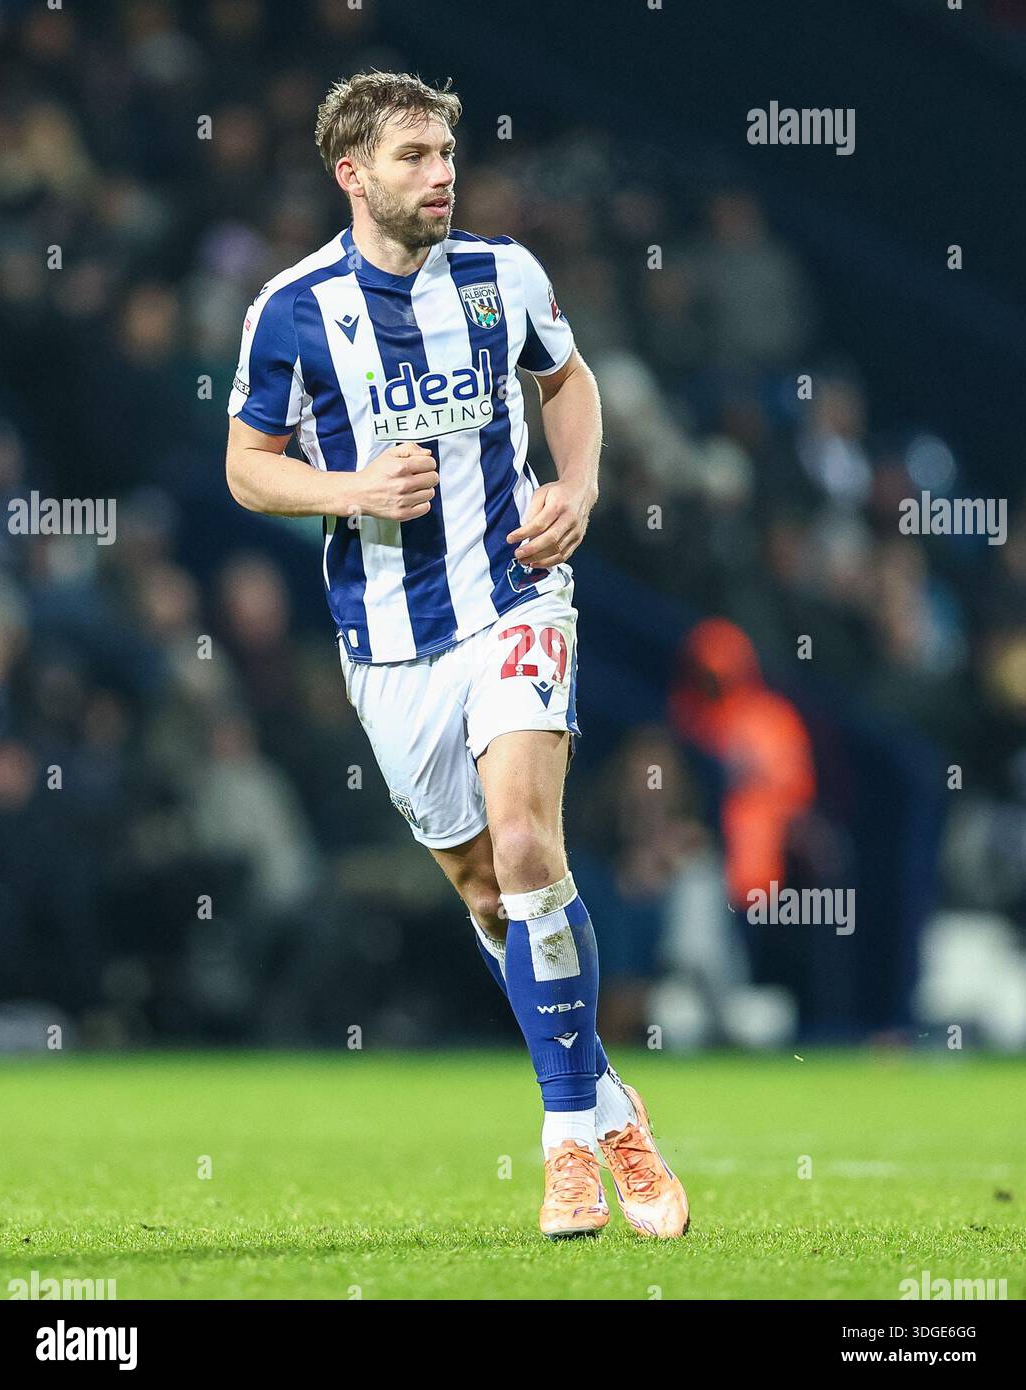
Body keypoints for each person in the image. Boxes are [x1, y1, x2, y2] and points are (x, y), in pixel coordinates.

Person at [225, 70, 688, 1240]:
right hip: (386, 643)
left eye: (446, 153)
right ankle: (610, 1105)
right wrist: (347, 487)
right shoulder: (289, 310)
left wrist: (577, 484)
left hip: (516, 595)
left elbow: (567, 380)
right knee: (487, 890)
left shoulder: (501, 274)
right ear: (351, 174)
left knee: (530, 840)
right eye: (413, 157)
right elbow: (245, 466)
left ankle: (562, 1145)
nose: (440, 174)